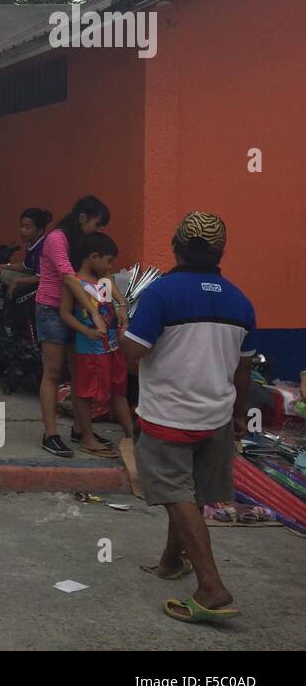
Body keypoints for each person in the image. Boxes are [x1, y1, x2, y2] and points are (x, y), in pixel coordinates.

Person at [121, 212, 255, 624]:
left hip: (167, 418)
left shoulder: (161, 294)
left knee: (177, 498)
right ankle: (170, 560)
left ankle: (211, 586)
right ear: (221, 253)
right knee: (191, 497)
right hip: (214, 417)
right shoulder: (240, 300)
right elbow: (244, 370)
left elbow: (133, 354)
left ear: (176, 247)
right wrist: (237, 416)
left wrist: (123, 327)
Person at [36, 195, 111, 458]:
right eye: (97, 224)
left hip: (76, 312)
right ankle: (50, 434)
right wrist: (93, 312)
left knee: (79, 374)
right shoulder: (57, 238)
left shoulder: (80, 240)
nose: (98, 230)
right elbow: (69, 277)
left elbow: (96, 273)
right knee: (53, 373)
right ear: (82, 218)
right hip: (51, 310)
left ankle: (82, 430)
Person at [60, 232, 131, 458]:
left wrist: (121, 306)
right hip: (88, 348)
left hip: (111, 346)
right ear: (93, 256)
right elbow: (65, 314)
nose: (110, 266)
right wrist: (87, 331)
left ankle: (132, 438)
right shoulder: (75, 282)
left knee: (119, 391)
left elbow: (114, 300)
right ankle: (87, 437)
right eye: (108, 260)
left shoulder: (103, 280)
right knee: (84, 393)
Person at [0, 207, 52, 297]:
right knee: (2, 273)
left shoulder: (43, 246)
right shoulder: (31, 243)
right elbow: (26, 266)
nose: (22, 230)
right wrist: (2, 266)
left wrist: (16, 281)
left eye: (27, 227)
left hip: (45, 286)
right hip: (35, 279)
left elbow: (41, 277)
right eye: (21, 226)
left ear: (40, 231)